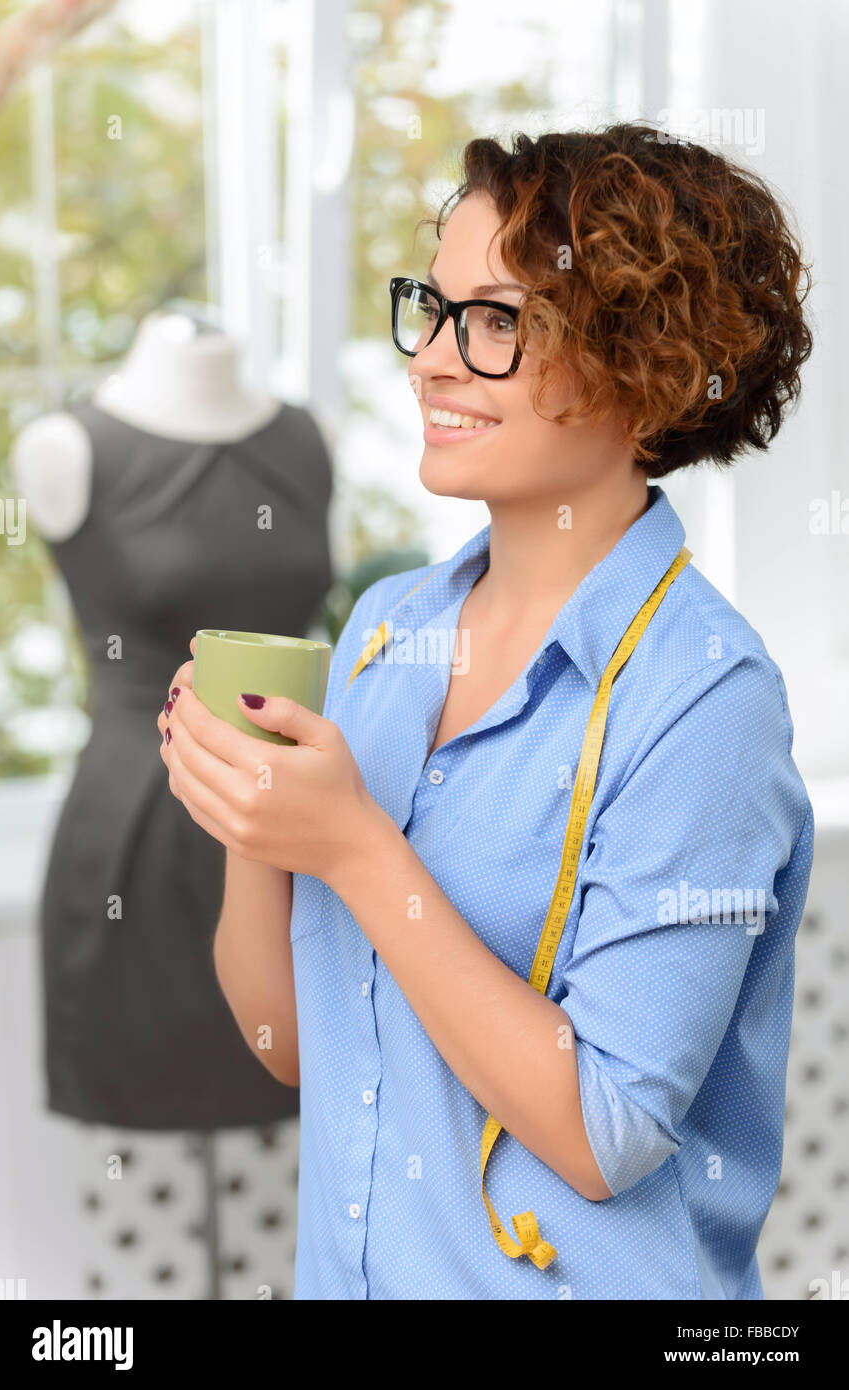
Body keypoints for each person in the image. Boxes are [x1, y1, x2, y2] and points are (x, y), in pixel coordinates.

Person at [156, 124, 815, 1300]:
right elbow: (294, 1047)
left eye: (499, 321)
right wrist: (255, 819)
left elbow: (605, 1135)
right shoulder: (386, 632)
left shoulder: (706, 703)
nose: (433, 362)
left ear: (646, 363)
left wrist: (355, 846)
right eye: (435, 307)